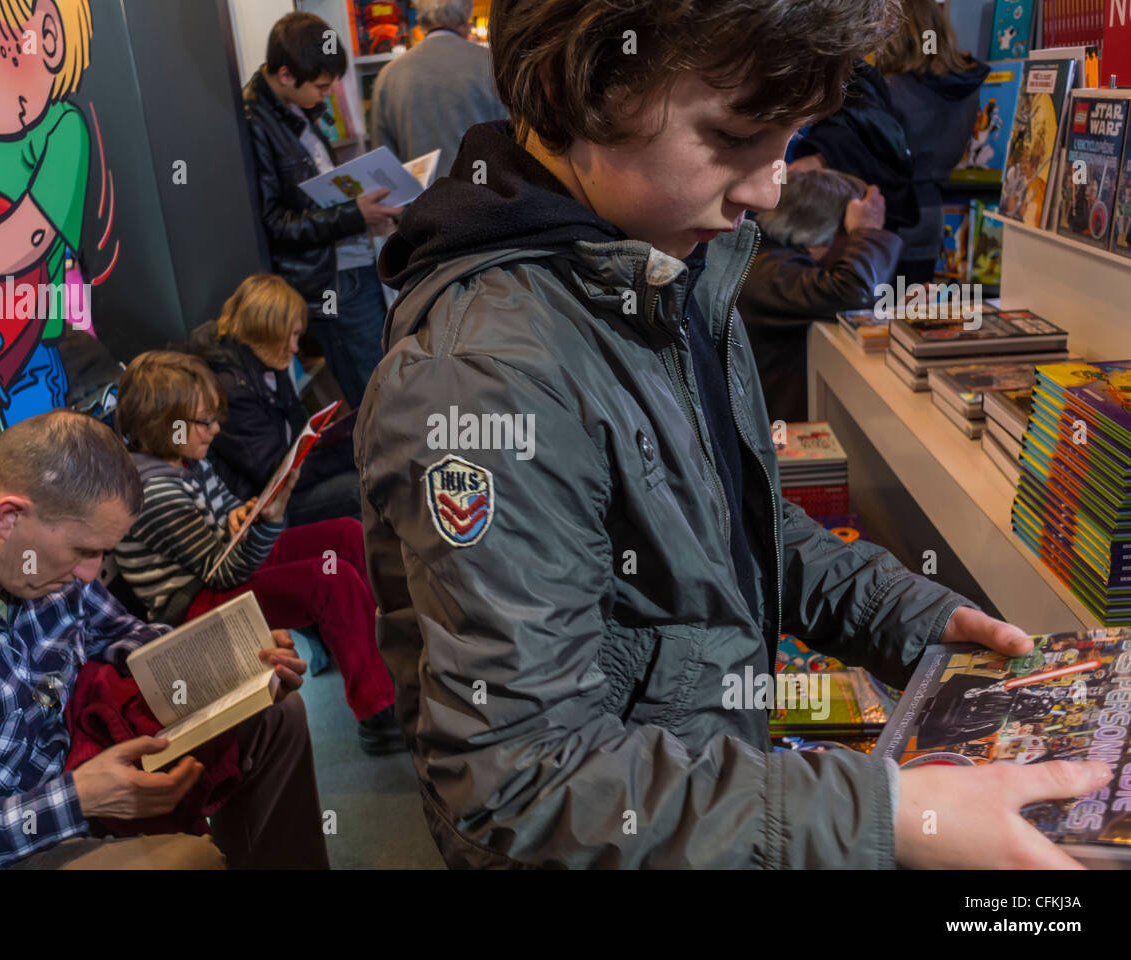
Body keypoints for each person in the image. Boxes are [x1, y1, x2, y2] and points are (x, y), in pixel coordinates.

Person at [355, 0, 1112, 869]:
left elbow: (726, 521)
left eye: (786, 142)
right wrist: (884, 815)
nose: (767, 188)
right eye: (733, 137)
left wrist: (914, 618)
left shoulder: (656, 259)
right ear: (584, 87)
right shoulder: (487, 379)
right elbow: (525, 786)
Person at [0, 410, 328, 869]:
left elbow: (117, 633)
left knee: (274, 713)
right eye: (84, 551)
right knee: (185, 862)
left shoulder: (33, 555)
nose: (91, 575)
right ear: (8, 517)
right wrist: (75, 801)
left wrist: (231, 663)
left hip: (71, 763)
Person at [112, 352, 401, 754]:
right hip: (196, 604)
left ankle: (388, 656)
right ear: (165, 424)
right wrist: (268, 520)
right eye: (204, 421)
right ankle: (378, 713)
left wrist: (244, 514)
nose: (215, 429)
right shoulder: (157, 493)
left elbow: (226, 513)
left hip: (220, 568)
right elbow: (223, 572)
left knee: (345, 534)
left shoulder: (186, 460)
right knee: (329, 580)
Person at [243, 12, 402, 407]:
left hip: (349, 262)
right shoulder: (255, 122)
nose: (328, 95)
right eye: (320, 86)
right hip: (330, 278)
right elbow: (276, 223)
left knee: (386, 375)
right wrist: (354, 214)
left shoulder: (296, 109)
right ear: (284, 74)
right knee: (376, 390)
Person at [190, 273, 362, 526]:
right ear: (267, 331)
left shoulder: (269, 363)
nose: (295, 348)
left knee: (364, 474)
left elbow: (294, 431)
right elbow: (273, 474)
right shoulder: (230, 389)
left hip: (283, 481)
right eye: (291, 336)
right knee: (357, 488)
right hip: (259, 501)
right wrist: (348, 452)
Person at [739, 170, 901, 421]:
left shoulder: (765, 258)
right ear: (825, 231)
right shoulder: (769, 273)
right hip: (778, 436)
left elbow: (834, 297)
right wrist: (868, 232)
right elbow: (851, 292)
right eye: (850, 232)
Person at [875, 0, 988, 283]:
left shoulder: (890, 88)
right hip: (933, 210)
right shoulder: (966, 88)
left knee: (871, 316)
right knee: (910, 313)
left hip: (889, 212)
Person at [369, 0, 508, 177]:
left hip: (422, 200)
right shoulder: (493, 64)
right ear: (466, 11)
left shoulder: (389, 75)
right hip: (487, 194)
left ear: (420, 17)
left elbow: (383, 162)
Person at [788, 57, 918, 240]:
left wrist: (822, 155)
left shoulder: (850, 79)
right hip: (815, 220)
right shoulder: (860, 79)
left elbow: (869, 132)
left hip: (825, 225)